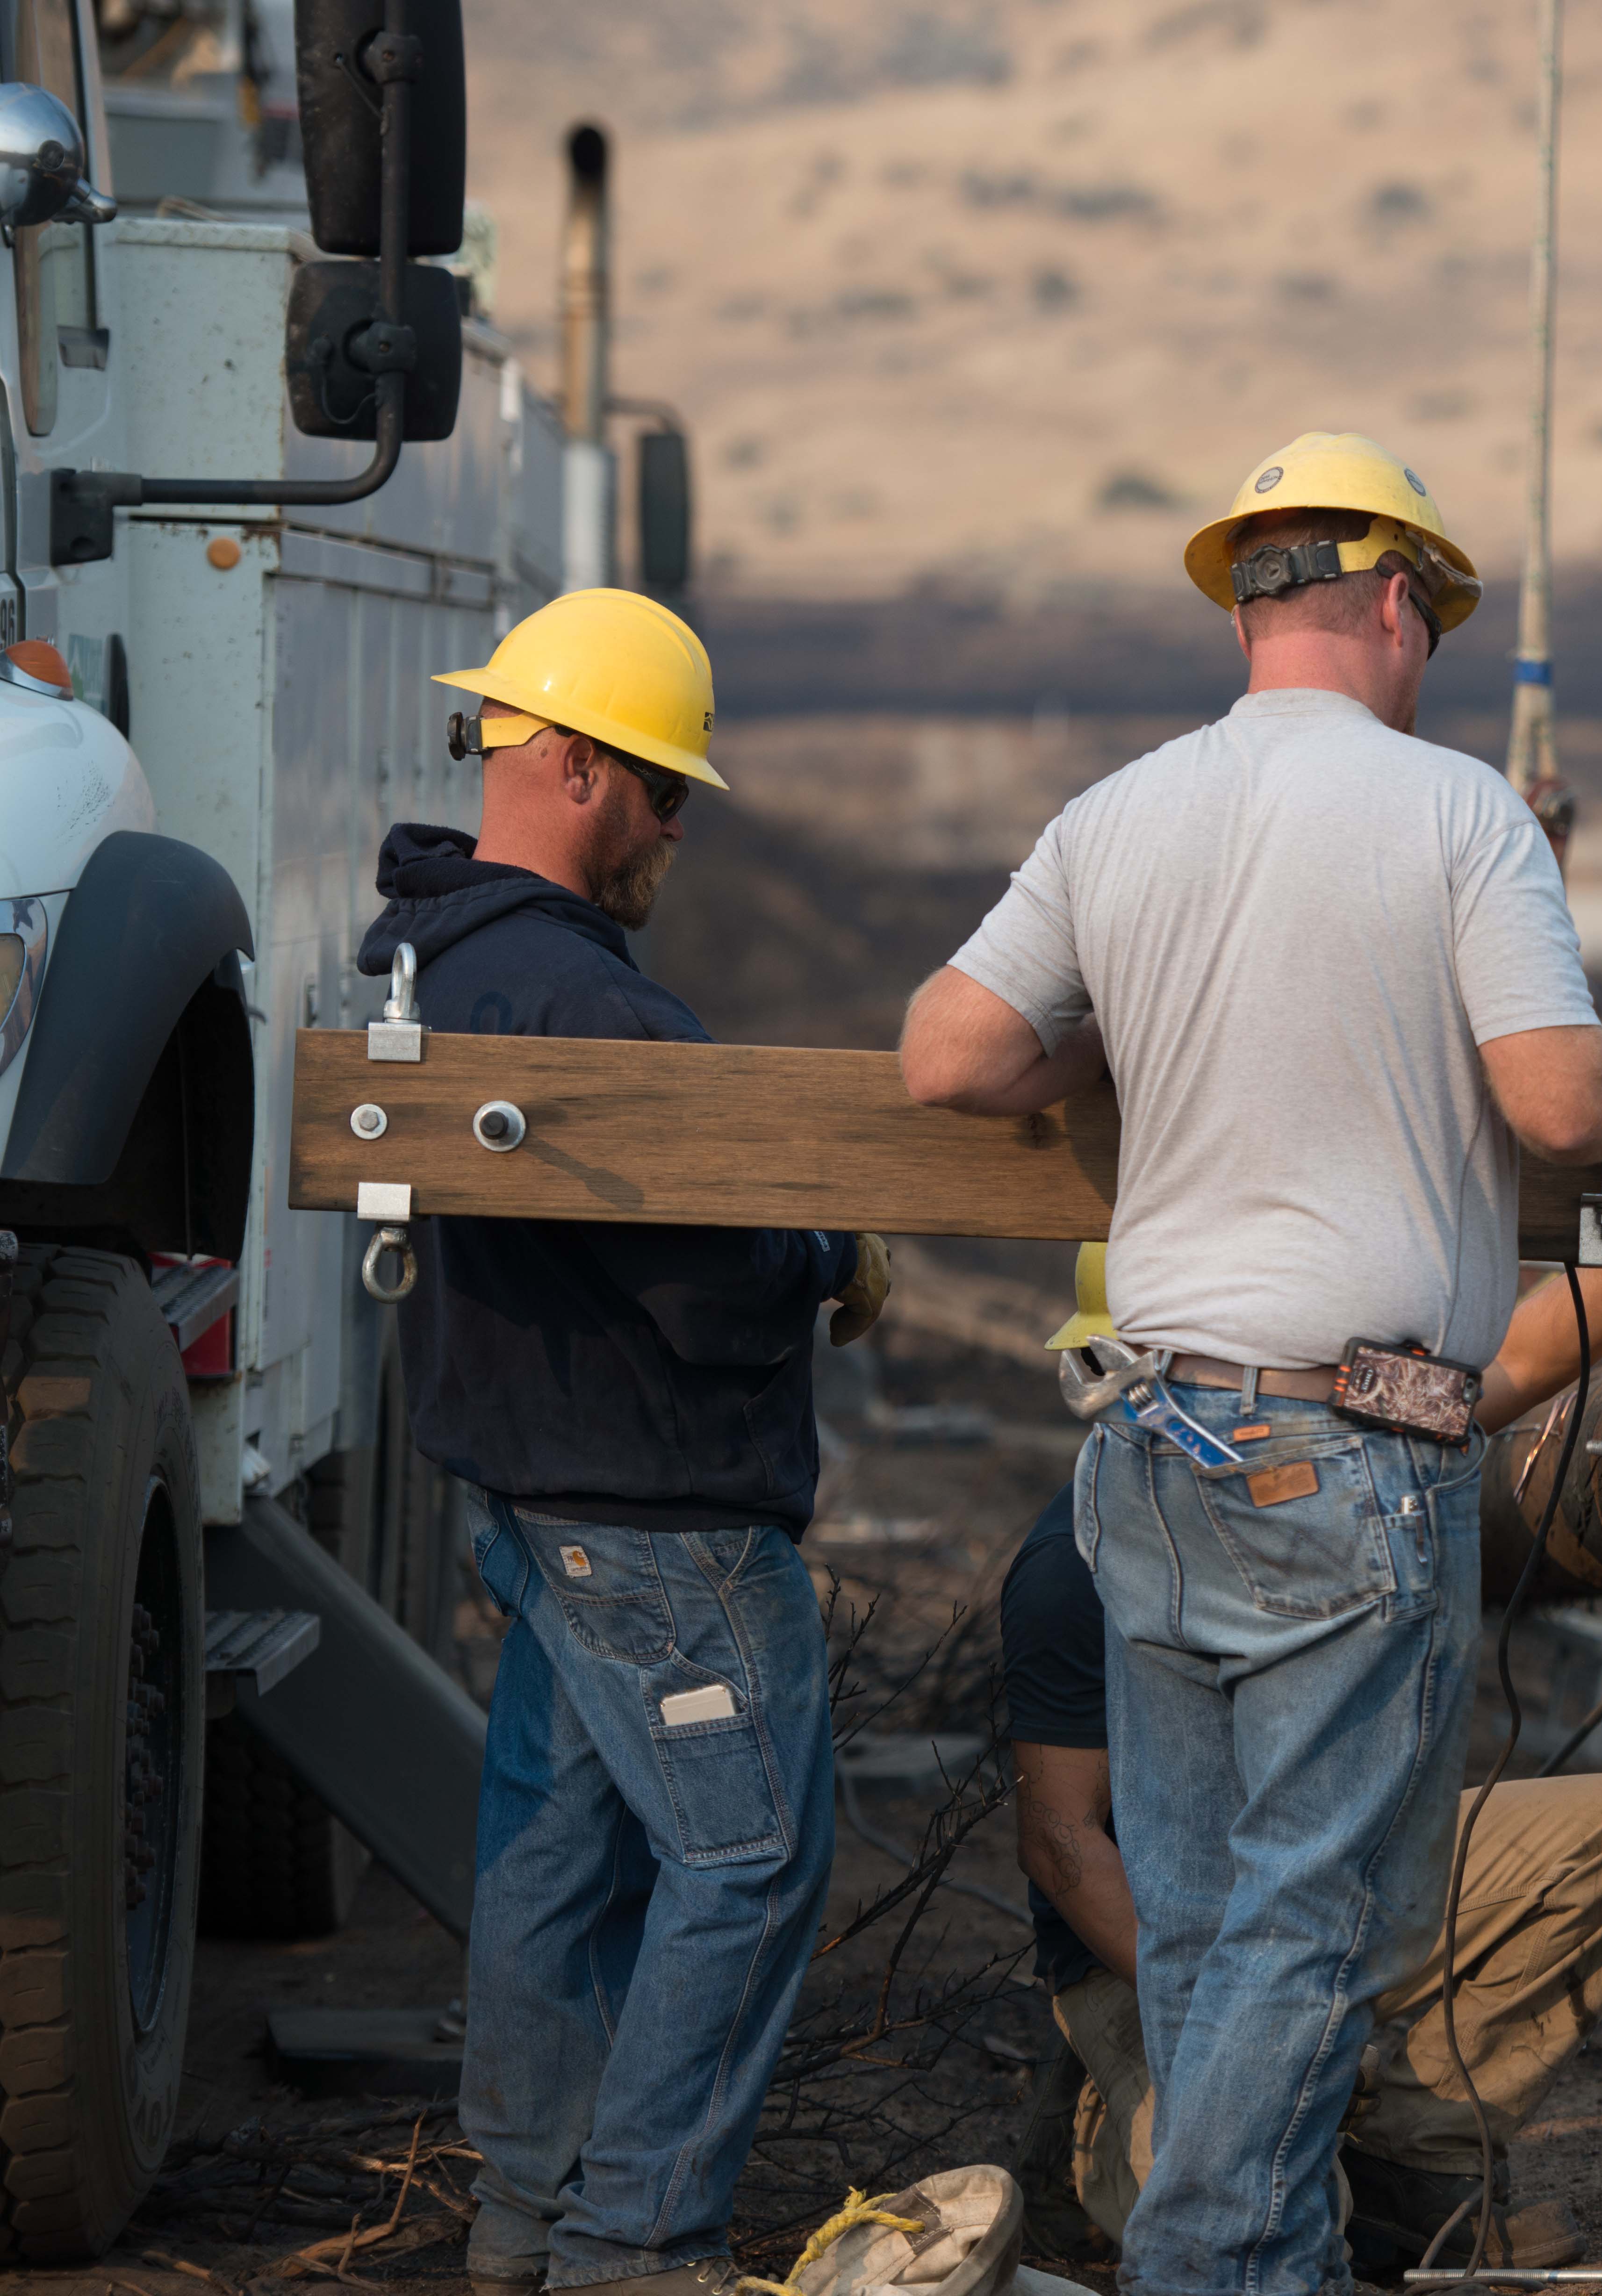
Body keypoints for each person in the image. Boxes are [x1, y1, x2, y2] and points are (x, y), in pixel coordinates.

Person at [895, 431, 1602, 2296]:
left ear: (1247, 608)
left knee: (1198, 1916)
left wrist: (1088, 1057)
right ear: (1403, 606)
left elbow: (947, 1053)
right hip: (1349, 1447)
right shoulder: (1457, 815)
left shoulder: (1120, 812)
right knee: (1308, 1925)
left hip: (1158, 1435)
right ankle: (1217, 2271)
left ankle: (1238, 2255)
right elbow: (1556, 1098)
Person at [360, 589, 892, 2296]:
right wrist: (828, 1252)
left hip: (534, 1504)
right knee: (747, 1868)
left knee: (559, 1849)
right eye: (666, 790)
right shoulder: (592, 1010)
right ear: (580, 769)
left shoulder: (440, 958)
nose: (677, 825)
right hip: (658, 1528)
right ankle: (635, 2245)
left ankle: (524, 2221)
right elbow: (711, 1283)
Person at [1006, 1249, 1602, 2270]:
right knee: (1243, 2188)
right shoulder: (1073, 1563)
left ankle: (1416, 2162)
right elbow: (1063, 1845)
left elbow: (1529, 1357)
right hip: (1143, 1960)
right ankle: (1121, 2138)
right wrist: (1271, 2018)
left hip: (1320, 1901)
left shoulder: (1367, 1408)